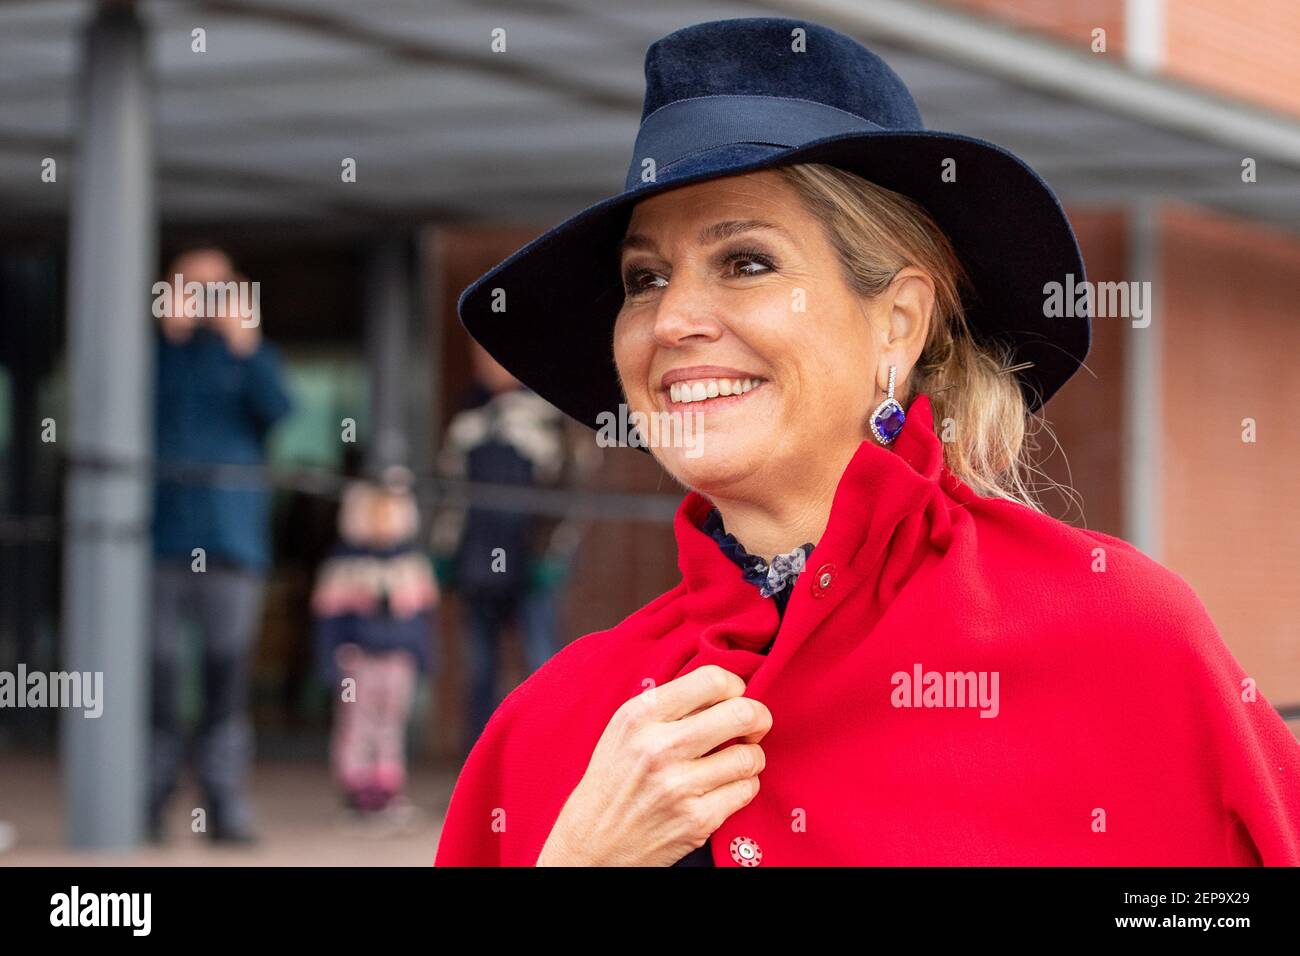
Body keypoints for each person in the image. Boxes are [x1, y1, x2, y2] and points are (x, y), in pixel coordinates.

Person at [434, 18, 1300, 866]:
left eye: (745, 262)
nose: (673, 320)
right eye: (645, 278)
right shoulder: (551, 727)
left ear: (898, 322)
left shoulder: (1123, 641)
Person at [149, 246, 293, 844]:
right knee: (153, 677)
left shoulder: (248, 352)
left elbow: (280, 410)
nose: (206, 300)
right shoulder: (156, 356)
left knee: (225, 682)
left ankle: (223, 804)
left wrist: (247, 345)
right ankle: (146, 798)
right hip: (155, 541)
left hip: (233, 543)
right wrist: (167, 337)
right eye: (193, 286)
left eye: (218, 287)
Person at [431, 341, 593, 756]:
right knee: (479, 670)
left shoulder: (553, 419)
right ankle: (480, 771)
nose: (487, 363)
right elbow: (452, 495)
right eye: (480, 354)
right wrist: (445, 552)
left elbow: (573, 495)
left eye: (495, 352)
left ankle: (545, 763)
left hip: (532, 563)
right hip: (478, 565)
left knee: (541, 664)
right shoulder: (467, 420)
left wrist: (551, 555)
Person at [312, 470, 438, 818]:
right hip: (358, 661)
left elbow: (424, 620)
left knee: (391, 725)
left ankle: (387, 789)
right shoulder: (343, 565)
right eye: (374, 511)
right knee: (357, 725)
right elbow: (329, 621)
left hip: (398, 662)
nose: (383, 520)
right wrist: (328, 664)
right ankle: (357, 790)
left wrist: (425, 660)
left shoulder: (412, 564)